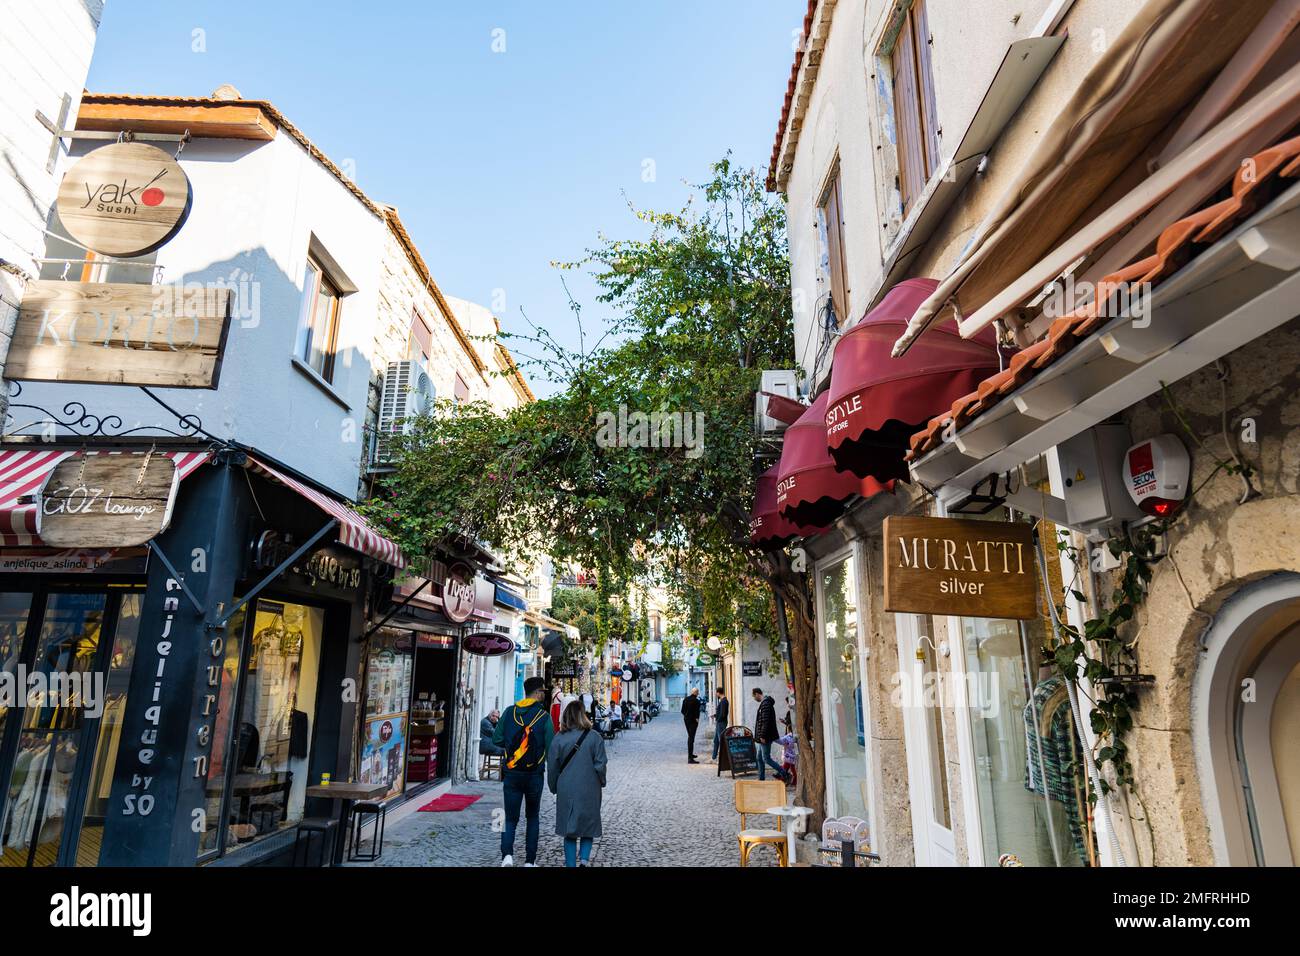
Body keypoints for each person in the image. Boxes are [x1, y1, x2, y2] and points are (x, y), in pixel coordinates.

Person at [492, 676, 554, 866]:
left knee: (509, 817)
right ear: (536, 693)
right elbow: (551, 748)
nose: (544, 695)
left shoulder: (510, 712)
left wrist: (513, 747)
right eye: (542, 692)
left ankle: (507, 857)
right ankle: (529, 861)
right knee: (532, 816)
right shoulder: (544, 717)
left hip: (511, 773)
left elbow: (496, 739)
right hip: (534, 774)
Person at [547, 699, 607, 867]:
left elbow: (552, 767)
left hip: (567, 789)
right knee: (588, 826)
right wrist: (601, 782)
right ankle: (584, 860)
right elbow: (600, 765)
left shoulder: (559, 738)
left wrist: (553, 786)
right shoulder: (595, 737)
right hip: (590, 787)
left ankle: (571, 864)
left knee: (569, 829)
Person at [752, 687, 787, 782]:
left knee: (766, 759)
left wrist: (762, 736)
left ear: (757, 694)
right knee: (759, 758)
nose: (755, 699)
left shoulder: (766, 704)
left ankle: (784, 773)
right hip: (762, 737)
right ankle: (761, 779)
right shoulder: (765, 703)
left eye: (754, 697)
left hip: (765, 737)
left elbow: (765, 721)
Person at [681, 687, 702, 763]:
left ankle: (691, 754)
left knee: (690, 737)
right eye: (698, 692)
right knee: (691, 738)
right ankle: (690, 758)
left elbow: (682, 711)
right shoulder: (697, 701)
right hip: (693, 722)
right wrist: (696, 720)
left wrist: (687, 716)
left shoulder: (685, 699)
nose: (698, 693)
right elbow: (697, 713)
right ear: (696, 693)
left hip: (686, 720)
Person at [711, 688, 729, 761]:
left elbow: (723, 714)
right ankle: (714, 757)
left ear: (719, 693)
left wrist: (718, 719)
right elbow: (721, 712)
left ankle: (723, 758)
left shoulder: (724, 701)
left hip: (721, 723)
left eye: (716, 693)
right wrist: (715, 715)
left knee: (721, 740)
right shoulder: (722, 701)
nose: (716, 694)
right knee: (716, 740)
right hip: (719, 722)